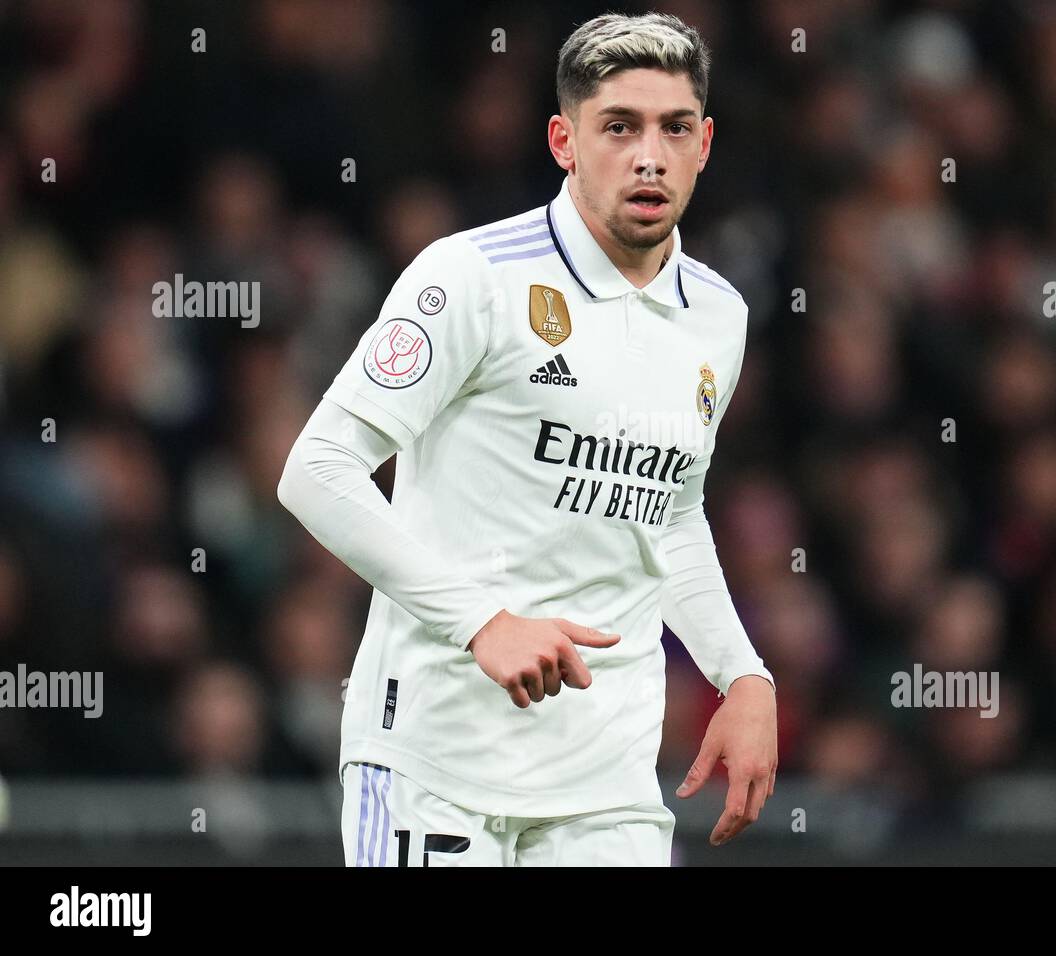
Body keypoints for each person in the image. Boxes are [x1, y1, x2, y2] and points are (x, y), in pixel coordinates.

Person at [277, 11, 776, 867]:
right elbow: (317, 470)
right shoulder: (473, 278)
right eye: (618, 126)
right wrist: (482, 622)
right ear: (564, 140)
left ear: (705, 144)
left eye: (674, 128)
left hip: (606, 784)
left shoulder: (719, 315)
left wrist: (742, 673)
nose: (649, 154)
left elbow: (669, 516)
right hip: (436, 760)